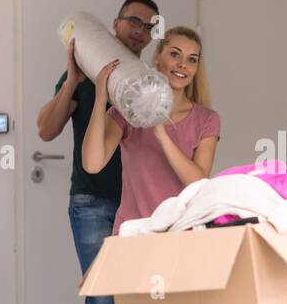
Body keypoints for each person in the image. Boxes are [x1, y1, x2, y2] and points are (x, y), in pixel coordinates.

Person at [36, 0, 159, 304]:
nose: (140, 31)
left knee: (135, 299)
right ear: (115, 23)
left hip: (137, 205)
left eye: (148, 27)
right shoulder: (86, 72)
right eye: (134, 21)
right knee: (101, 299)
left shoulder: (150, 84)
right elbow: (46, 130)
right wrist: (73, 79)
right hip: (92, 200)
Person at [81, 26, 220, 234]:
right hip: (132, 232)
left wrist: (161, 134)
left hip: (179, 232)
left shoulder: (207, 119)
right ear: (157, 57)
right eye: (174, 54)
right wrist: (100, 97)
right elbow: (92, 164)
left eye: (192, 59)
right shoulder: (127, 112)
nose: (183, 64)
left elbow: (197, 182)